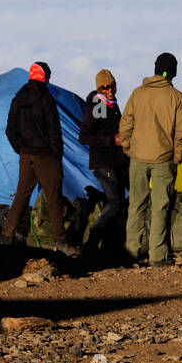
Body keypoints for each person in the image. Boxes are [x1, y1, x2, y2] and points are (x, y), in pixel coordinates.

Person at [118, 52, 182, 266]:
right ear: (173, 71)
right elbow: (181, 132)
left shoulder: (137, 93)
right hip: (164, 159)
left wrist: (128, 147)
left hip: (138, 157)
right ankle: (157, 256)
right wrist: (177, 157)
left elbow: (126, 123)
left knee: (135, 205)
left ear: (156, 69)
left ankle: (131, 253)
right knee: (161, 207)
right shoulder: (177, 97)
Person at [2, 61, 68, 250]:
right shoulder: (46, 99)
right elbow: (54, 131)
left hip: (26, 155)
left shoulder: (18, 98)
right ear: (45, 77)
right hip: (46, 156)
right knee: (54, 196)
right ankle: (60, 240)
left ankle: (7, 234)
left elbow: (10, 130)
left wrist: (21, 149)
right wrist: (57, 156)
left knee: (22, 194)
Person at [78, 68, 129, 260]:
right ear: (99, 88)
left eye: (112, 85)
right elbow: (85, 136)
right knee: (115, 203)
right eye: (105, 87)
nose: (110, 89)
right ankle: (91, 241)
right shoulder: (98, 104)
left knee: (120, 203)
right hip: (104, 161)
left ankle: (109, 246)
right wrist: (111, 140)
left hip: (117, 160)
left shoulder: (111, 103)